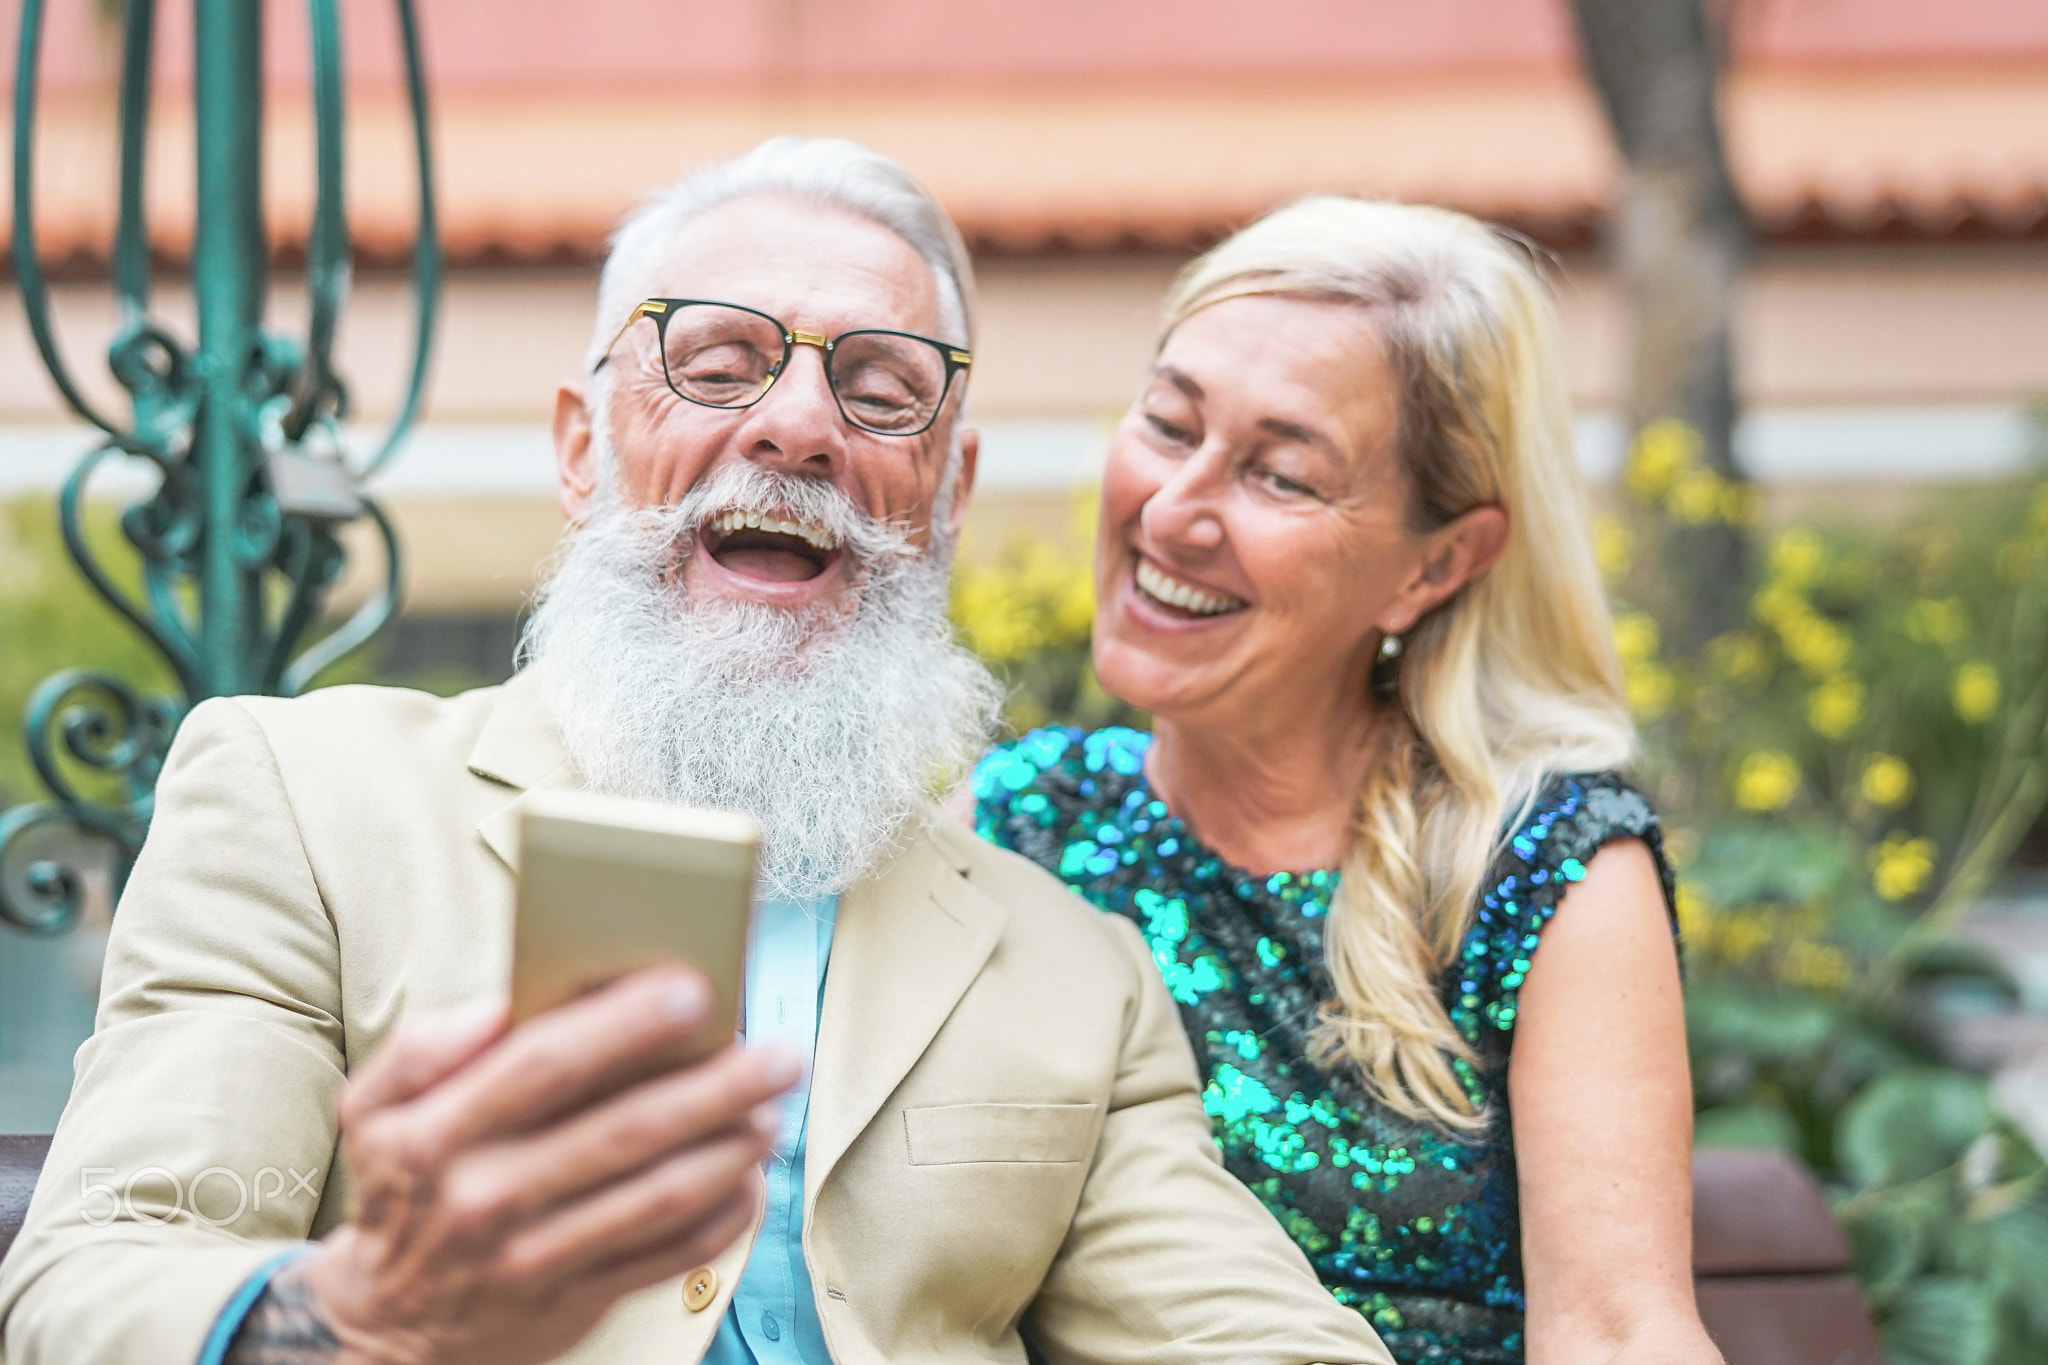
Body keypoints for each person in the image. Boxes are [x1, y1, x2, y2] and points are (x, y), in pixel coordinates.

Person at [0, 140, 1394, 1365]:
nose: (795, 426)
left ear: (949, 494)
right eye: (714, 364)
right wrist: (362, 1312)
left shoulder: (1072, 964)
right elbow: (96, 1288)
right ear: (580, 448)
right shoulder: (301, 797)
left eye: (882, 388)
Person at [972, 198, 1723, 1365]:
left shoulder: (1540, 868)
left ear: (1434, 565)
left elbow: (1621, 1332)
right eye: (1169, 426)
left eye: (1277, 477)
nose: (1173, 512)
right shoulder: (1014, 823)